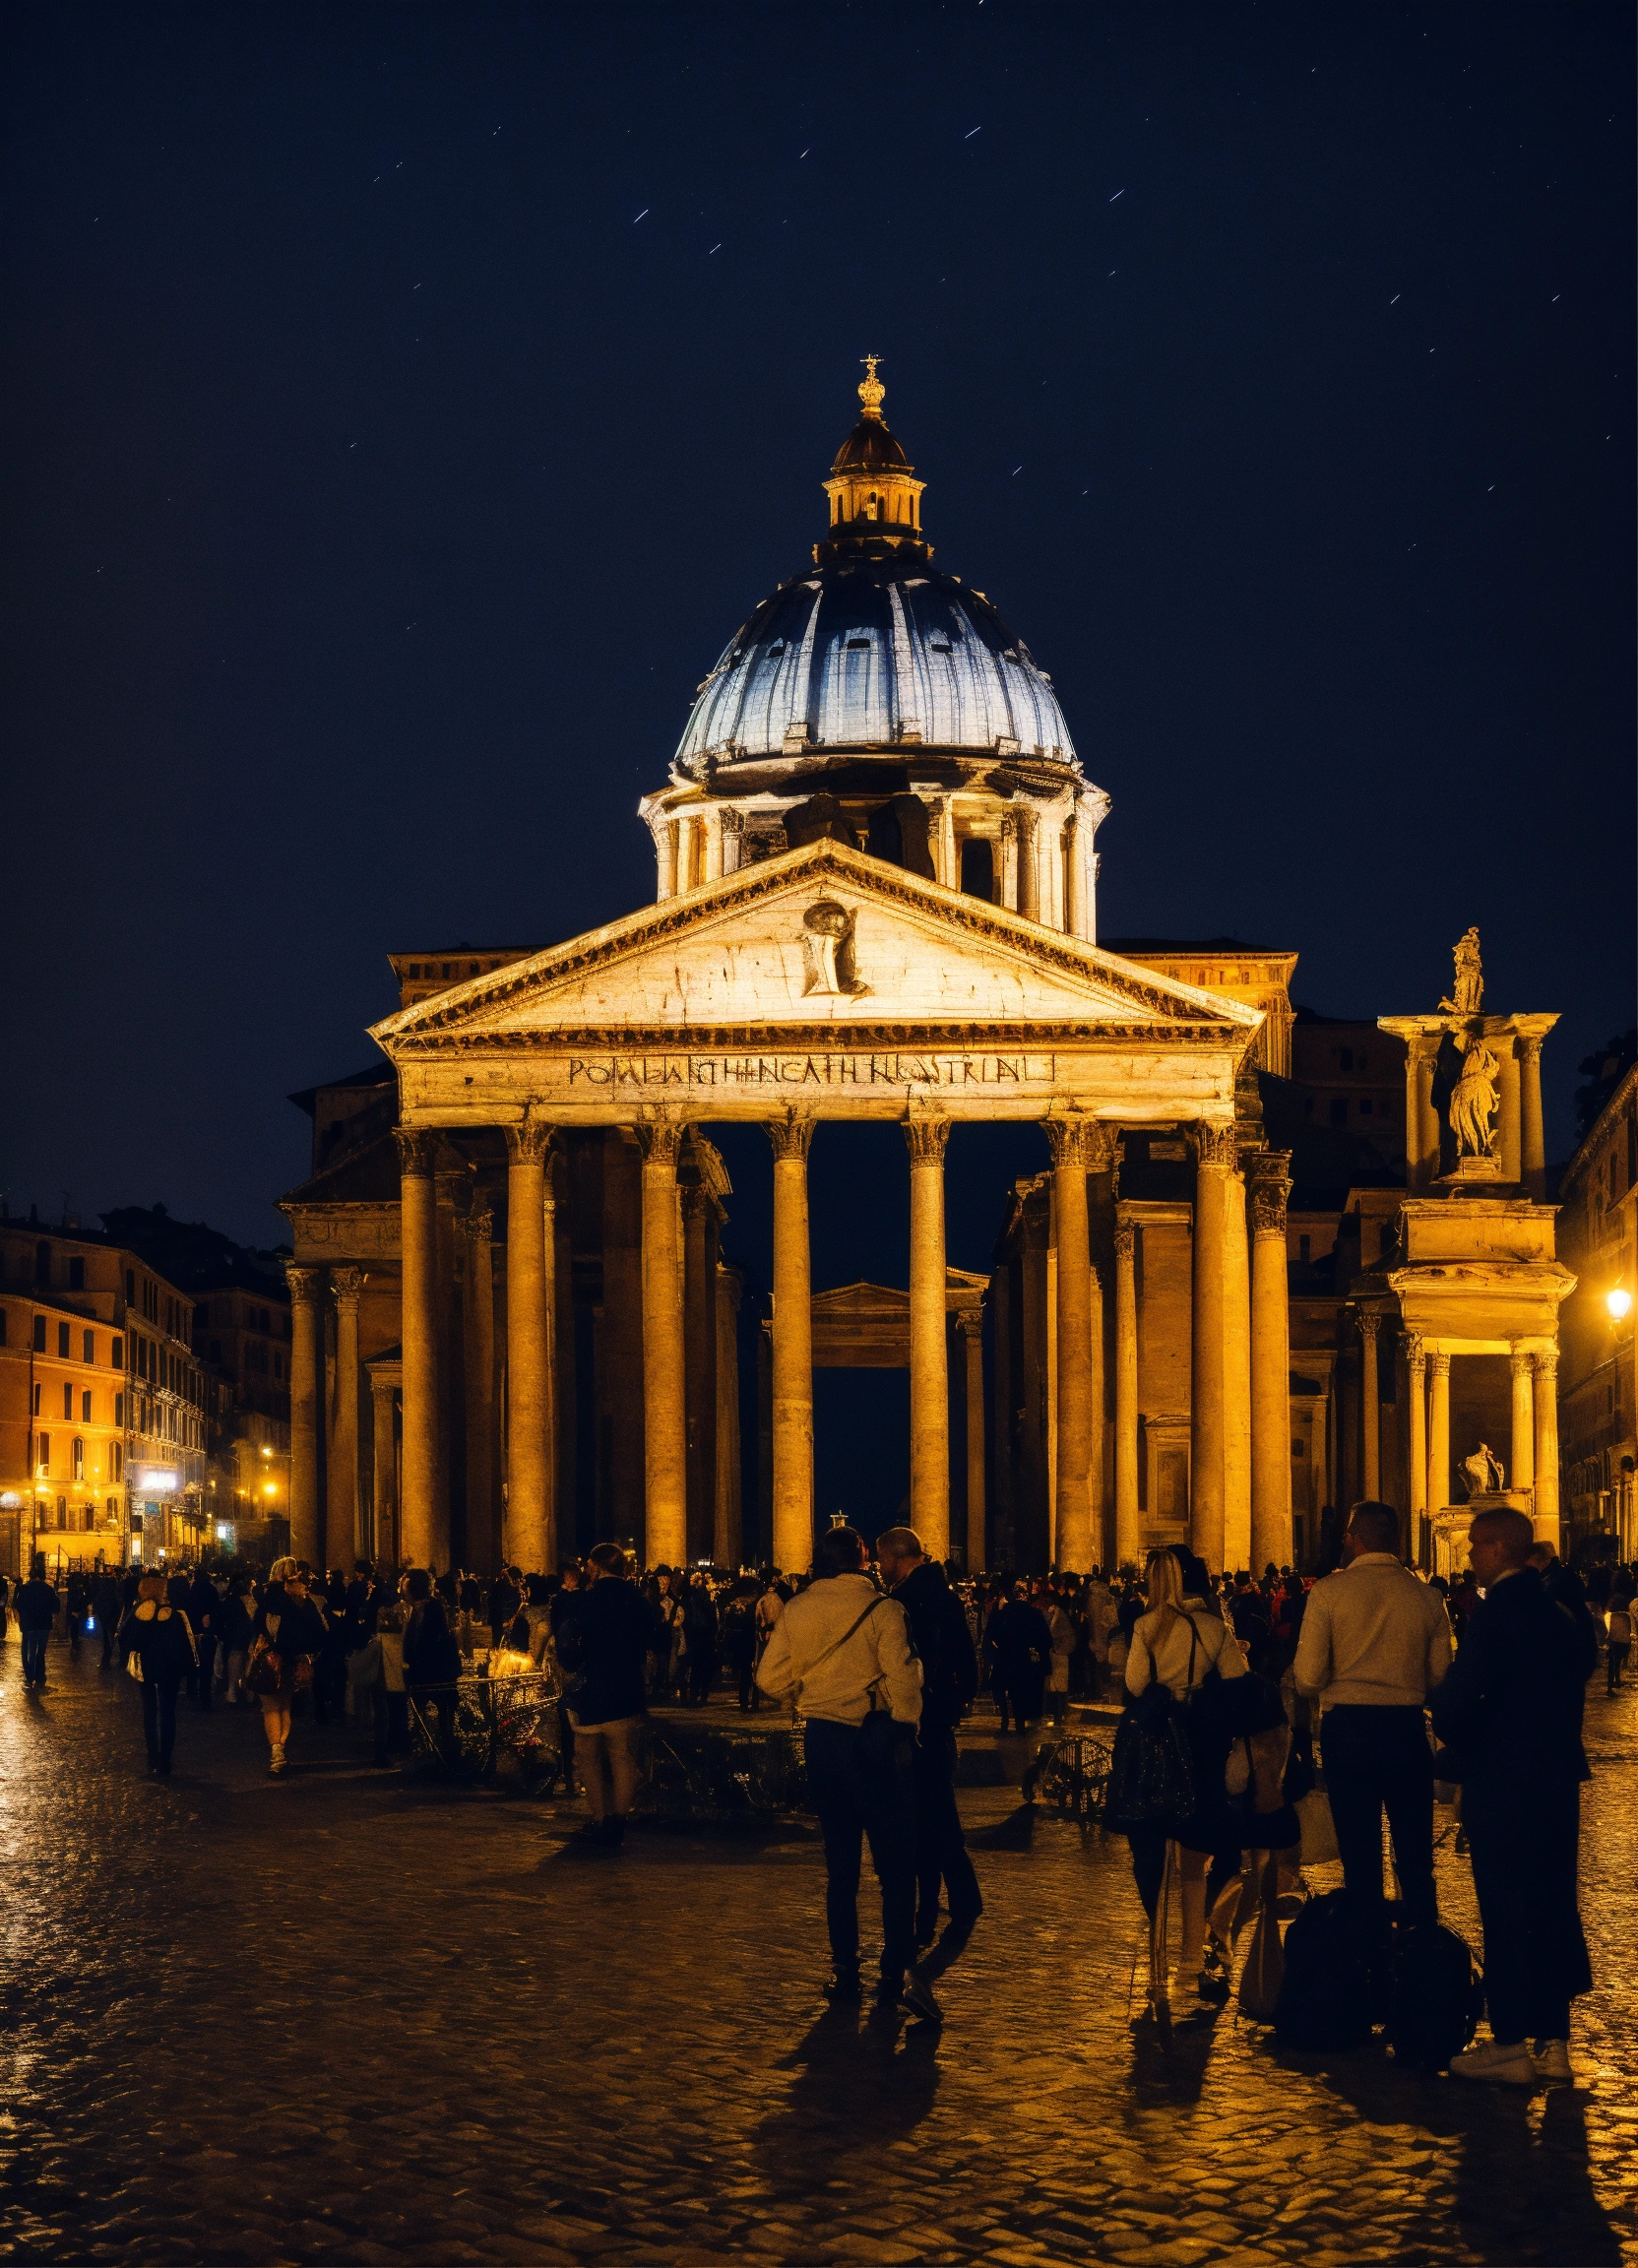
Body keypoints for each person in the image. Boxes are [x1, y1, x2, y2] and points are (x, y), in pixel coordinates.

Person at [1432, 1505, 1596, 2086]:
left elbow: (1455, 1704)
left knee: (1504, 1910)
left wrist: (1462, 1741)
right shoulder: (1557, 1613)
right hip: (1555, 1781)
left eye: (1477, 1545)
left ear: (1500, 1548)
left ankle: (1506, 2043)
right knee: (1552, 1905)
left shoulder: (1496, 1612)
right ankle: (1555, 2043)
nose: (1471, 1553)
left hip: (1502, 1782)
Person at [756, 1525, 937, 2022]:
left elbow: (768, 1677)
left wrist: (808, 1694)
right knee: (894, 1868)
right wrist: (901, 1722)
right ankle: (894, 1970)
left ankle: (844, 1971)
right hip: (873, 1743)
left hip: (823, 1743)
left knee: (841, 1869)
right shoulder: (885, 1610)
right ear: (864, 1558)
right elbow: (904, 1687)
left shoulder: (797, 1609)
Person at [1293, 1500, 1452, 1948]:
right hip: (1405, 1730)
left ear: (1355, 1539)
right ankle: (1423, 1957)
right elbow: (1440, 1676)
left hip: (1348, 1731)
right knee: (1415, 1855)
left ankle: (1369, 1958)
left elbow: (1307, 1678)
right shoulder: (1426, 1596)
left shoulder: (1329, 1593)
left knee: (1360, 1855)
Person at [1123, 1546, 1250, 2005]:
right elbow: (1238, 1680)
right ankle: (1191, 1960)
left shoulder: (1145, 1627)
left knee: (1152, 1851)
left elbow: (1136, 1684)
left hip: (1157, 1743)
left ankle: (1157, 1949)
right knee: (1194, 1863)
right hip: (1200, 1743)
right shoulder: (1212, 1628)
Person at [875, 1526, 982, 1973]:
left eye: (882, 1561)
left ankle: (938, 1909)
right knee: (937, 1815)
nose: (879, 1571)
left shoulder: (909, 1600)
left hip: (921, 1721)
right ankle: (957, 1901)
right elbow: (966, 1662)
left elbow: (917, 1664)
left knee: (924, 1819)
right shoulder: (942, 1593)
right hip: (938, 1719)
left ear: (899, 1559)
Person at [554, 1543, 661, 1849]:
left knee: (588, 1758)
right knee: (622, 1757)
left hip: (592, 1691)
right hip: (627, 1689)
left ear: (596, 1567)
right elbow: (654, 1640)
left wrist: (573, 1665)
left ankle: (600, 1818)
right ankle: (618, 1821)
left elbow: (567, 1644)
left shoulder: (584, 1602)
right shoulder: (639, 1602)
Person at [248, 1558, 329, 1774]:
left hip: (270, 1658)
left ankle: (276, 1753)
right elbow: (319, 1631)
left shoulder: (269, 1599)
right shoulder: (305, 1601)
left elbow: (257, 1624)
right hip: (294, 1658)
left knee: (271, 1707)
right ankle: (281, 1749)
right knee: (285, 1706)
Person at [118, 1571, 197, 1776]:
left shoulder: (140, 1612)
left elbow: (125, 1638)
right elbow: (184, 1643)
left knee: (150, 1711)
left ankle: (153, 1757)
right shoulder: (175, 1614)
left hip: (147, 1668)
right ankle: (166, 1759)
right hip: (171, 1669)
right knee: (168, 1713)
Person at [984, 1581, 1051, 1734]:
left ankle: (1005, 1719)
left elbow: (992, 1633)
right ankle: (1019, 1722)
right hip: (1023, 1657)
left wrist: (1000, 1645)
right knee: (1020, 1690)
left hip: (1005, 1655)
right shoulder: (1033, 1614)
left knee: (1001, 1687)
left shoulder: (1003, 1613)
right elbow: (1045, 1638)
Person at [15, 1562, 59, 1691]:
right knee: (41, 1652)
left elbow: (19, 1606)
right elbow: (56, 1607)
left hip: (30, 1625)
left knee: (29, 1653)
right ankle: (40, 1676)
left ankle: (30, 1678)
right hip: (44, 1625)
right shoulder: (49, 1590)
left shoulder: (24, 1589)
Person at [186, 1567, 219, 1708]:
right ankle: (205, 1697)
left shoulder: (192, 1591)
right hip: (208, 1632)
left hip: (193, 1631)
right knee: (207, 1666)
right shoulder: (212, 1590)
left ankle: (191, 1691)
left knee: (193, 1662)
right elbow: (216, 1609)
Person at [94, 1567, 124, 1670]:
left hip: (105, 1619)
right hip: (111, 1619)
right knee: (110, 1638)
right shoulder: (114, 1596)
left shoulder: (102, 1595)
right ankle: (110, 1659)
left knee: (107, 1639)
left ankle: (106, 1660)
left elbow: (98, 1605)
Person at [1606, 1595, 1632, 1692]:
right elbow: (1629, 1629)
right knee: (1617, 1662)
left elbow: (1608, 1630)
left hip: (1614, 1641)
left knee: (1612, 1663)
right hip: (1623, 1642)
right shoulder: (1626, 1616)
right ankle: (1616, 1681)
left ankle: (1610, 1685)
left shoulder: (1610, 1615)